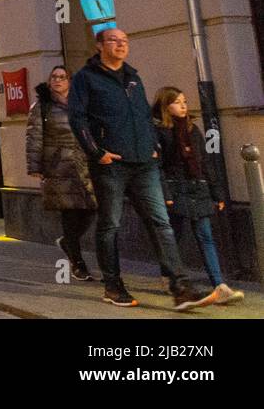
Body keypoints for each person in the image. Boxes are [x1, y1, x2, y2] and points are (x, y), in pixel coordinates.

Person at [67, 27, 214, 310]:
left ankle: (179, 287)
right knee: (110, 225)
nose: (121, 45)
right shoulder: (86, 78)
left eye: (125, 41)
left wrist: (153, 145)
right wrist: (96, 152)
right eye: (114, 40)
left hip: (144, 164)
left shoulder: (133, 77)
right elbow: (77, 118)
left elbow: (145, 116)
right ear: (100, 45)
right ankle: (113, 285)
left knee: (161, 223)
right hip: (111, 165)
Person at [151, 87, 244, 305]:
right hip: (176, 189)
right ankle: (170, 277)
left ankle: (219, 285)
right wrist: (166, 193)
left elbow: (205, 162)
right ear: (165, 107)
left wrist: (216, 192)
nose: (183, 105)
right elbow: (159, 166)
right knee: (174, 237)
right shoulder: (159, 132)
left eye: (184, 101)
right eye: (176, 102)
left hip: (198, 188)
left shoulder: (193, 130)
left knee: (206, 236)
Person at [25, 65, 96, 281]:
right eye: (54, 76)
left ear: (70, 82)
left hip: (83, 164)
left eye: (62, 77)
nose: (58, 80)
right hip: (58, 167)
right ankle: (77, 262)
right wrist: (35, 167)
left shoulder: (81, 103)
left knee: (92, 207)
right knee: (70, 214)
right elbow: (34, 137)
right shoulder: (42, 106)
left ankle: (67, 242)